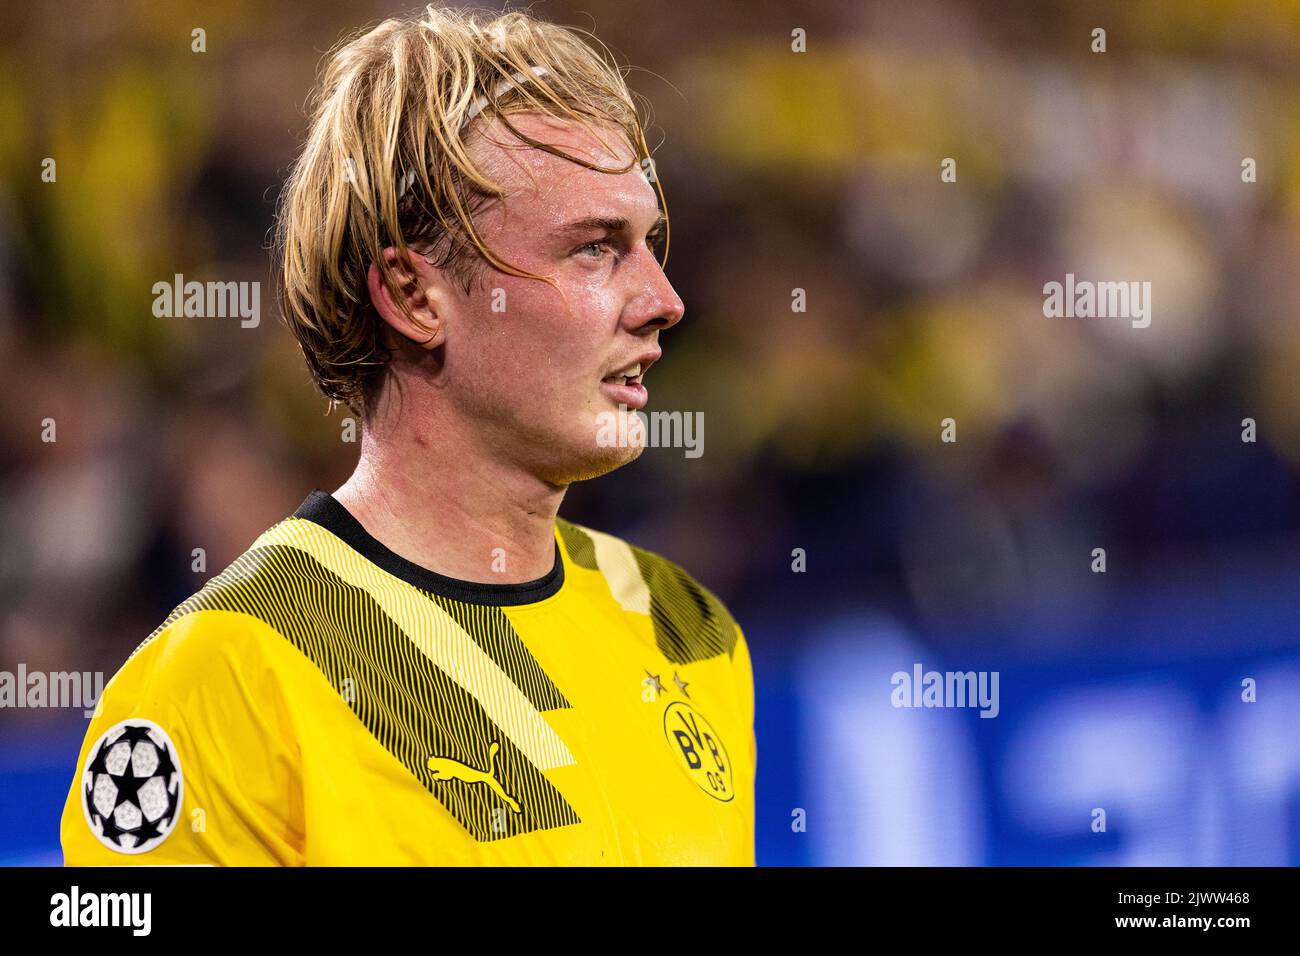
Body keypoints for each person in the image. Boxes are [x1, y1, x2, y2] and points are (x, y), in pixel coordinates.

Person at [61, 5, 756, 865]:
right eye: (594, 248)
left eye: (651, 242)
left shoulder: (687, 628)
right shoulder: (229, 673)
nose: (663, 300)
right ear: (414, 294)